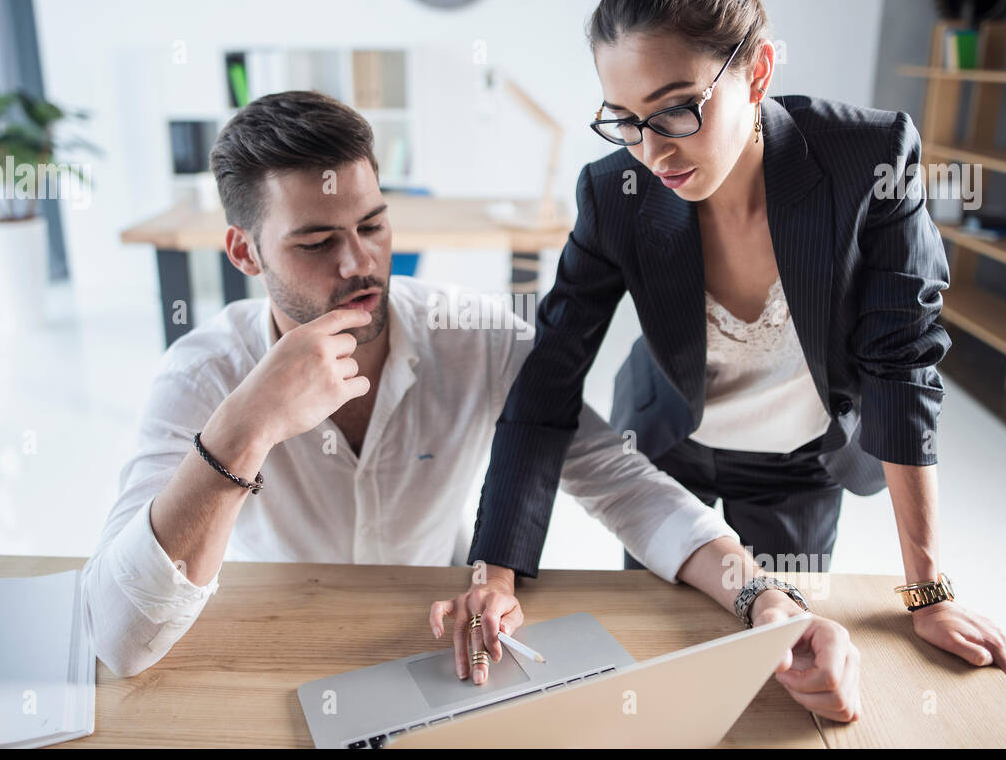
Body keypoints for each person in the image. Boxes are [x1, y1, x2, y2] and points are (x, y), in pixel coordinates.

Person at [79, 90, 861, 720]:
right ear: (245, 251)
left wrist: (761, 593)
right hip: (272, 657)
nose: (360, 264)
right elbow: (119, 635)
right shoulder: (201, 373)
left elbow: (619, 481)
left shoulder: (474, 336)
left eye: (374, 226)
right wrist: (245, 428)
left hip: (443, 652)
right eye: (316, 243)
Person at [441, 0, 1006, 692]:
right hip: (668, 442)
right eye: (626, 121)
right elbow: (549, 376)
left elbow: (901, 364)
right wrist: (499, 570)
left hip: (802, 459)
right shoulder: (614, 192)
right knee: (661, 656)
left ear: (757, 72)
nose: (654, 152)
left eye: (679, 108)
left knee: (778, 663)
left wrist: (926, 591)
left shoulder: (869, 160)